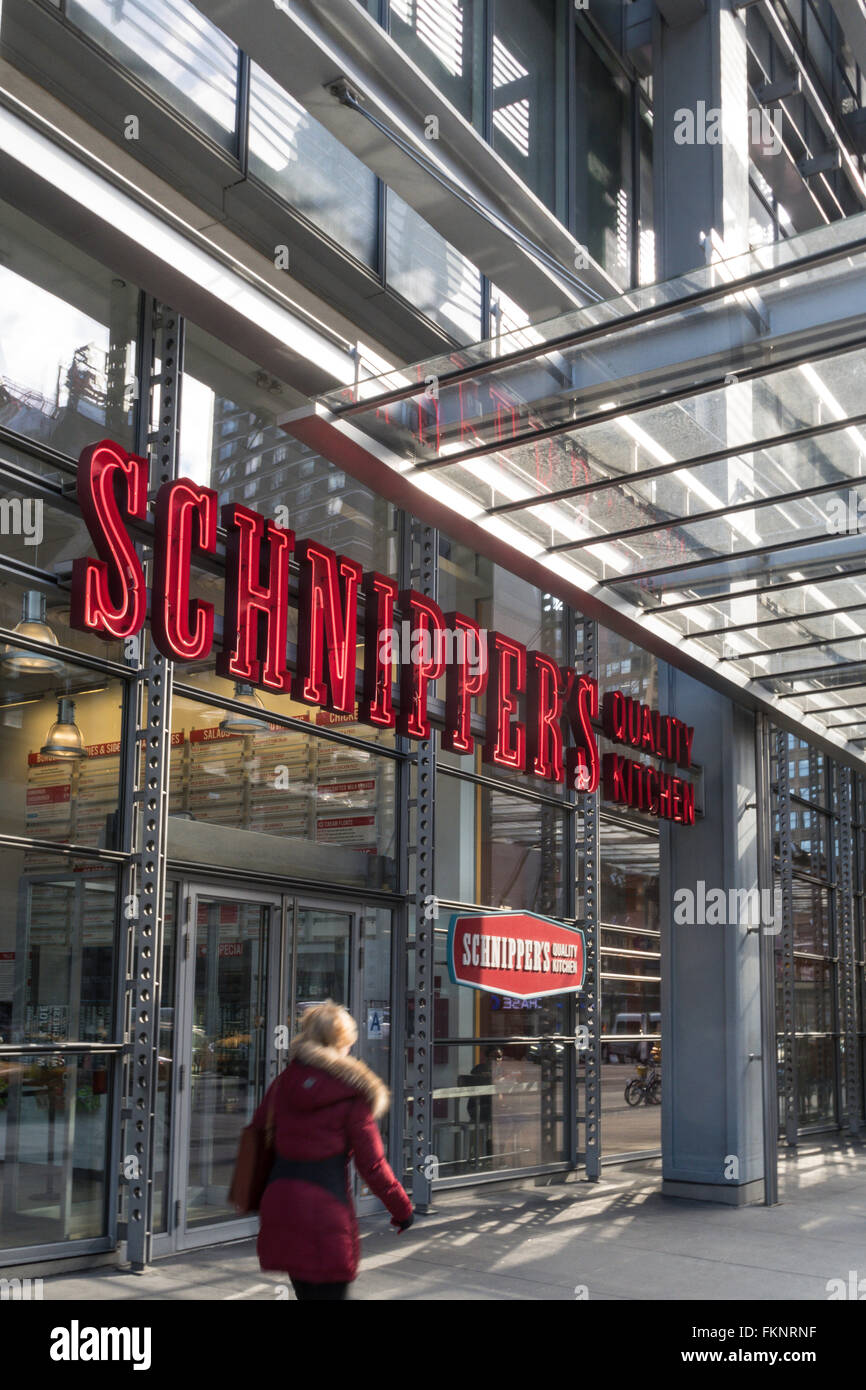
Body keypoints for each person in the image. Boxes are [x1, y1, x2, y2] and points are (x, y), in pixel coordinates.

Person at [251, 1000, 412, 1301]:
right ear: (341, 1043)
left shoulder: (282, 1084)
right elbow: (372, 1165)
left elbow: (258, 1137)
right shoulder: (351, 1092)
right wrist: (402, 1209)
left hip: (283, 1205)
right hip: (327, 1209)